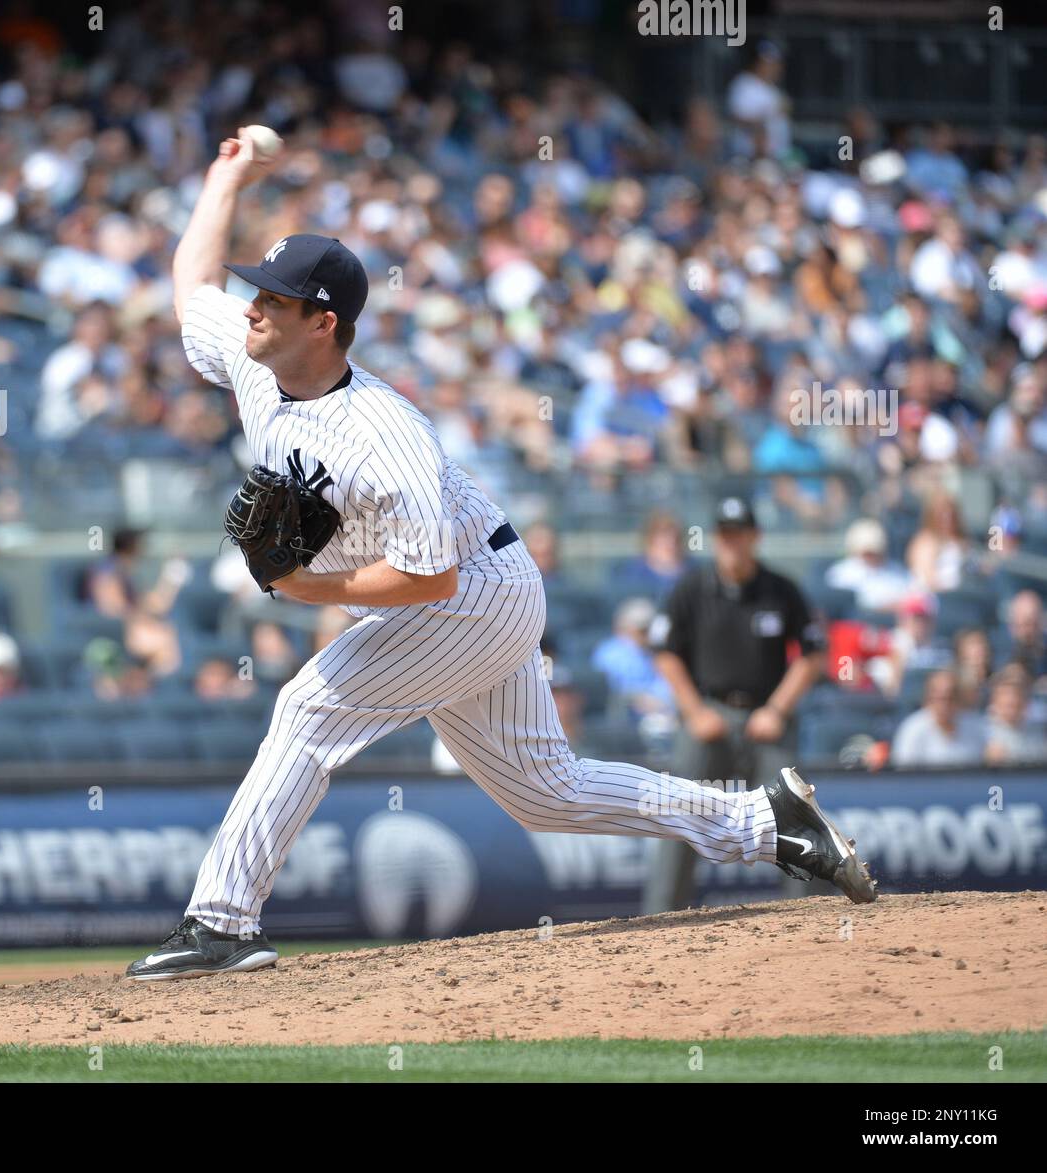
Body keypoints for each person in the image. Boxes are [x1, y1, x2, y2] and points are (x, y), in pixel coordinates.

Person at [123, 132, 875, 982]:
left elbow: (430, 577)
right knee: (545, 791)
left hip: (470, 591)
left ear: (324, 323)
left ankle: (221, 921)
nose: (252, 305)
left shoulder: (386, 434)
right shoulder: (255, 363)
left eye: (275, 298)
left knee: (308, 709)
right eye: (256, 290)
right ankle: (768, 823)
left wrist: (302, 584)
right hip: (448, 595)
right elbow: (191, 283)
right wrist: (224, 178)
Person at [645, 495, 827, 913]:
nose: (731, 543)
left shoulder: (780, 589)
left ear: (754, 537)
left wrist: (778, 709)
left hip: (767, 716)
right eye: (724, 535)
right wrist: (694, 712)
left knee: (794, 808)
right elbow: (665, 651)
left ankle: (813, 916)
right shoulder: (692, 588)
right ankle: (661, 916)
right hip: (711, 716)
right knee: (682, 813)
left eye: (739, 534)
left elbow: (812, 653)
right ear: (715, 539)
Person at [82, 529, 187, 678]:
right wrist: (144, 619)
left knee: (170, 632)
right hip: (115, 632)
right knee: (164, 642)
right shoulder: (107, 573)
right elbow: (113, 610)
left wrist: (172, 576)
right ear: (131, 547)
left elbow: (156, 605)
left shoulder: (126, 574)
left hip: (134, 627)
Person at [891, 668, 985, 767]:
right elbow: (905, 776)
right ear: (928, 698)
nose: (945, 704)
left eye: (950, 698)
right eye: (940, 698)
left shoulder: (975, 726)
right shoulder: (912, 729)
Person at [824, 517, 911, 615]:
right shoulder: (841, 573)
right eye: (867, 552)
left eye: (875, 551)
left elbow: (912, 598)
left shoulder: (897, 572)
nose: (871, 556)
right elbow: (844, 605)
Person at [984, 665, 1047, 766]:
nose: (1012, 710)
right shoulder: (982, 732)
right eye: (1008, 705)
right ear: (995, 702)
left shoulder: (1037, 733)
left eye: (1016, 704)